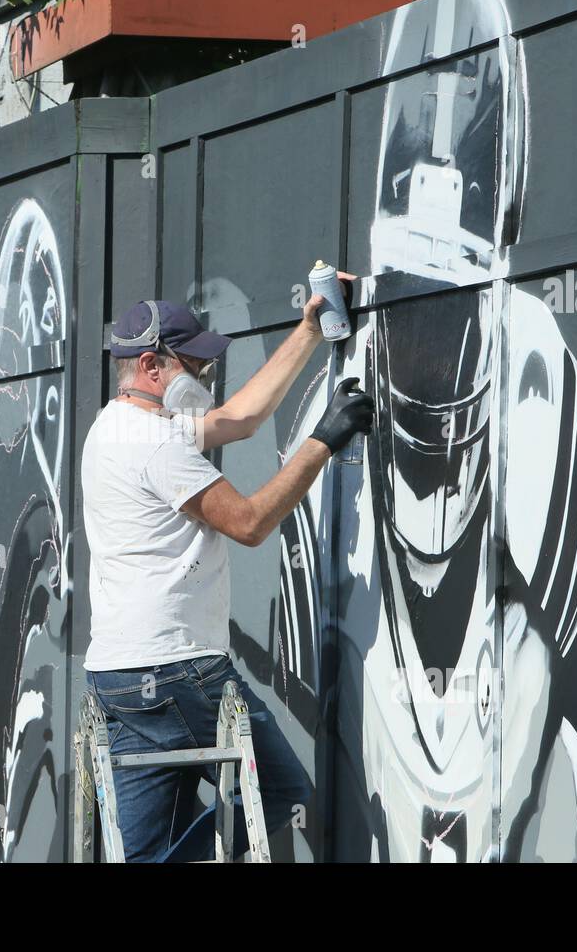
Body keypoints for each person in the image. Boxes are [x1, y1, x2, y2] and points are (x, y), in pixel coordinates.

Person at [80, 287, 374, 861]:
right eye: (192, 364)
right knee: (284, 790)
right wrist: (323, 441)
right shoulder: (155, 445)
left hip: (116, 679)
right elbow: (248, 523)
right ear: (150, 365)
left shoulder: (113, 428)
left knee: (139, 854)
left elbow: (240, 419)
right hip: (176, 669)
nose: (205, 374)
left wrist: (309, 329)